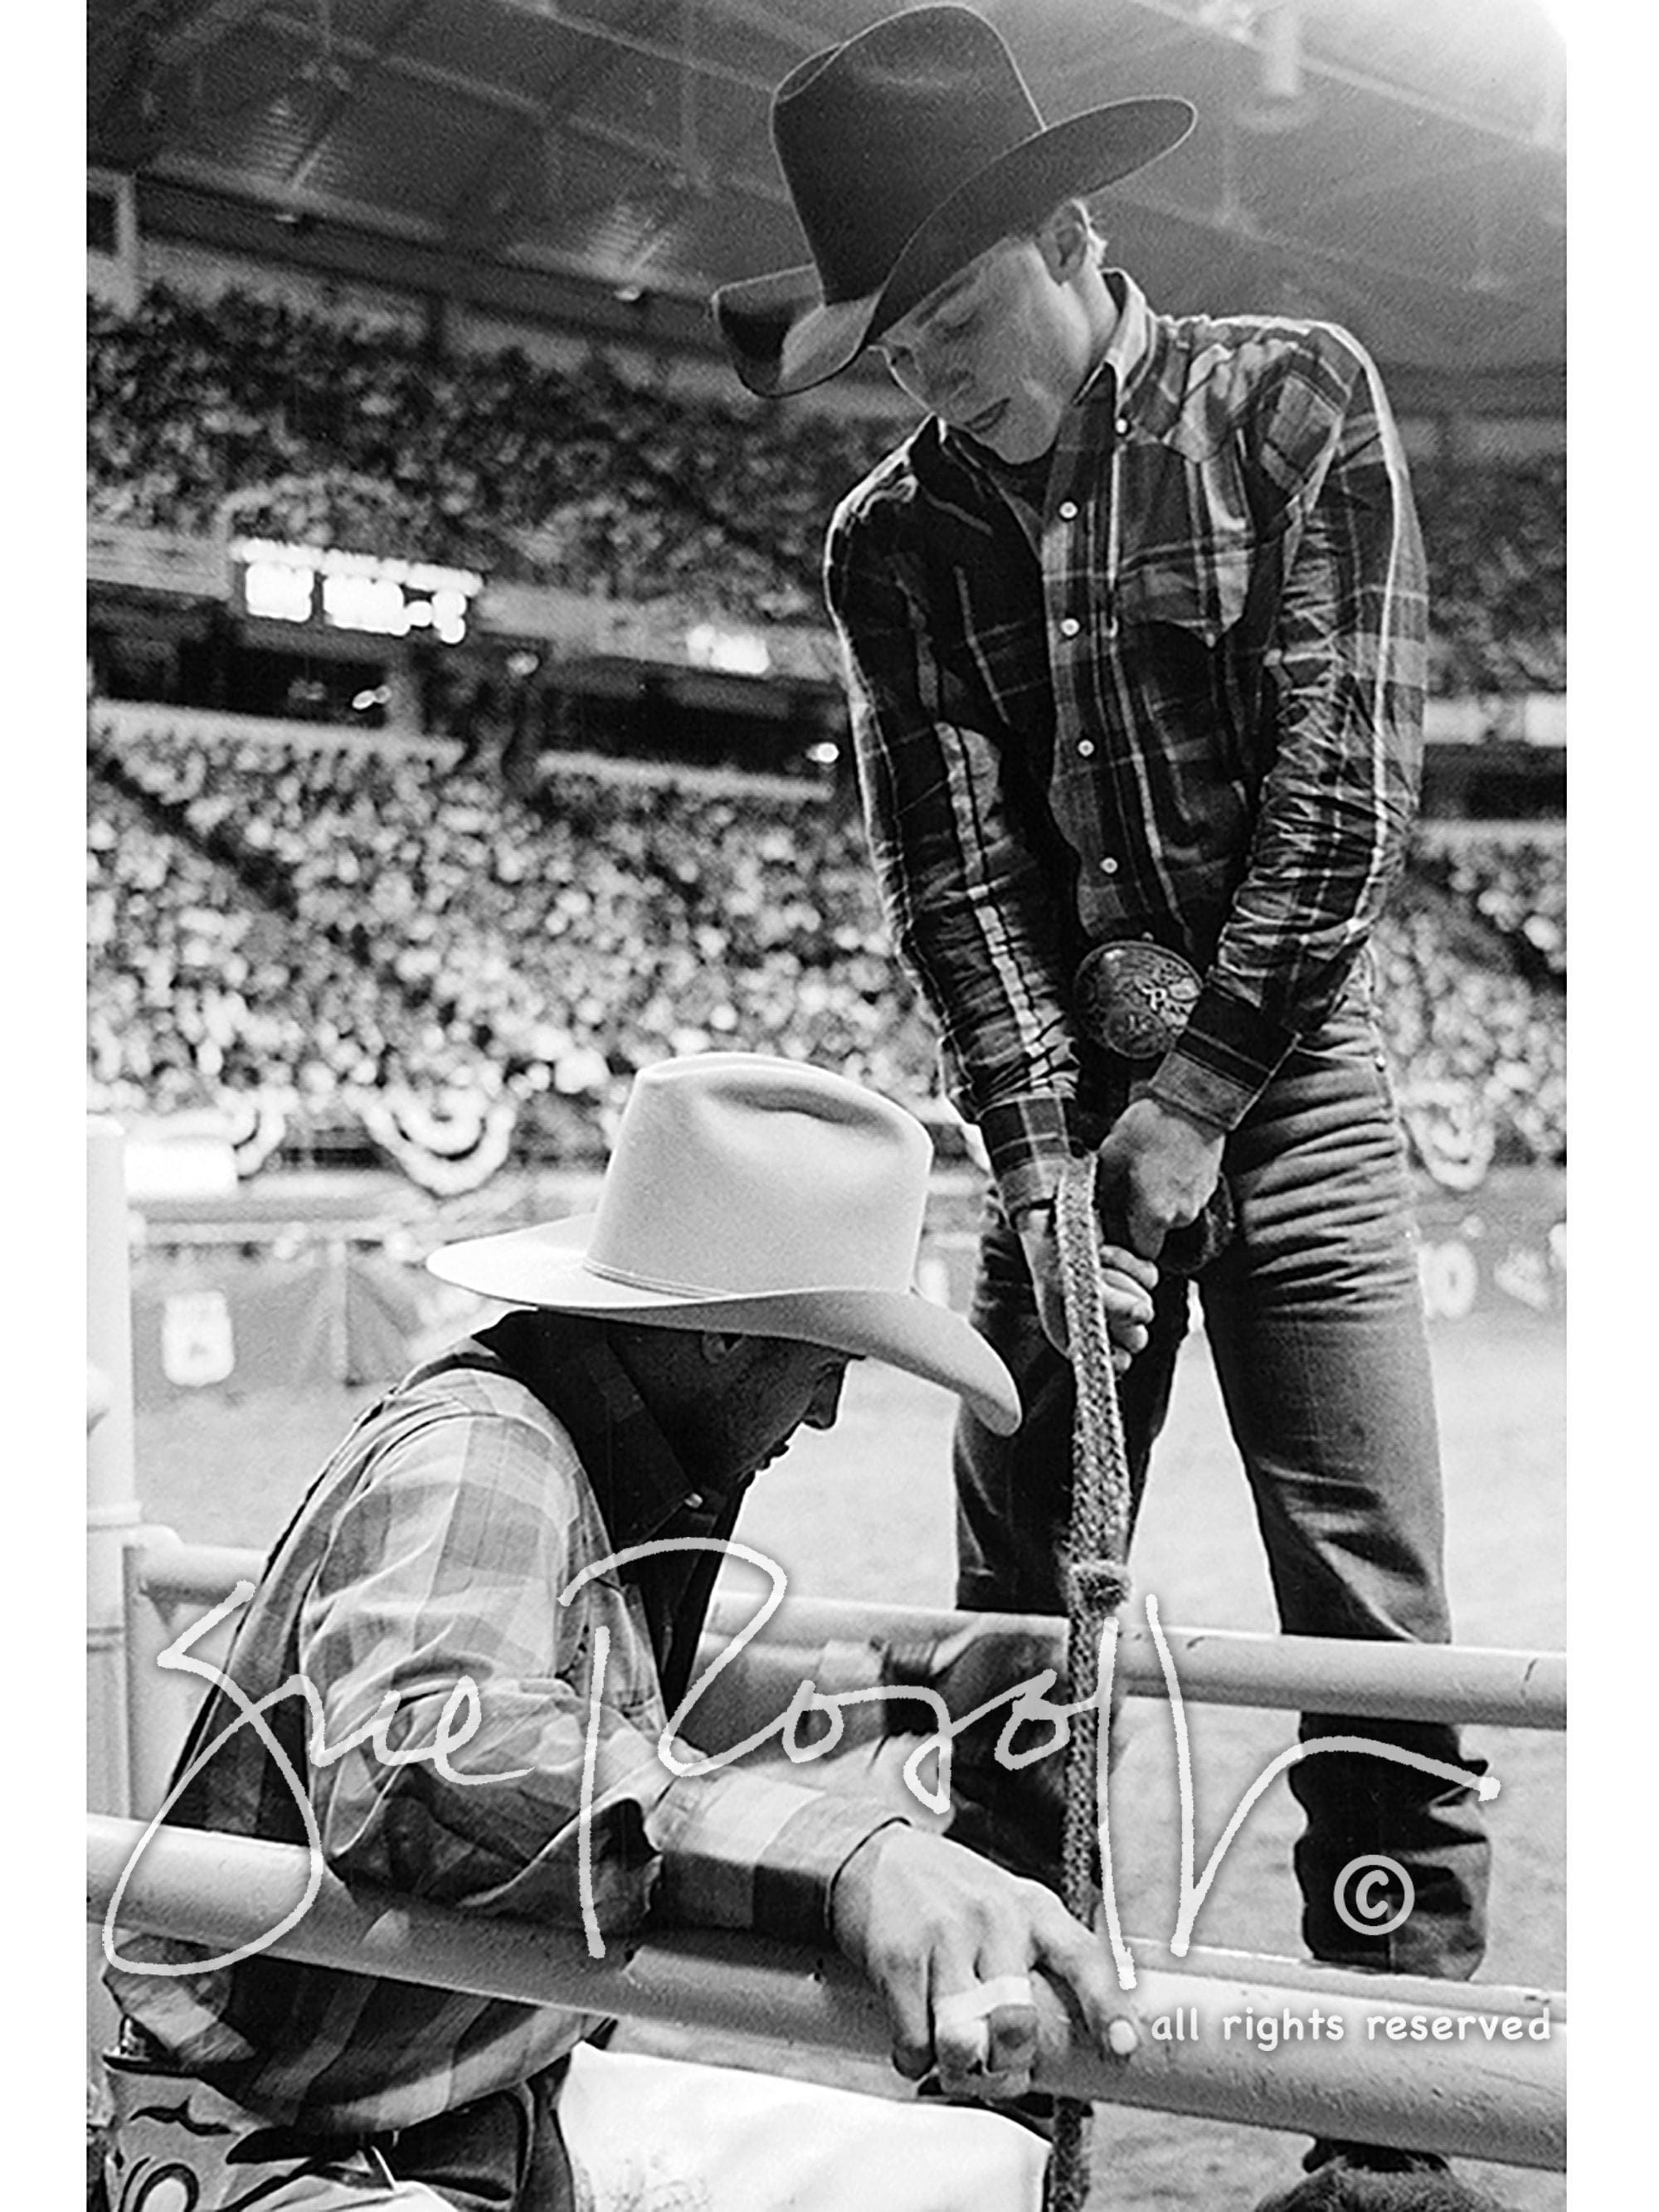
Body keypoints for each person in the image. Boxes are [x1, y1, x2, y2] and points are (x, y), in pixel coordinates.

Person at [712, 7, 1490, 2195]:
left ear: (1069, 238)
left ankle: (1390, 2121)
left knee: (1363, 1595)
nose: (931, 377)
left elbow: (1342, 796)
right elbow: (956, 884)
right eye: (896, 350)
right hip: (1055, 1113)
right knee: (1011, 1601)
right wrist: (1058, 1173)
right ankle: (1008, 2052)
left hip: (1291, 1090)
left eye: (955, 322)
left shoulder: (1291, 400)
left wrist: (1193, 1113)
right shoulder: (888, 543)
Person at [100, 1053, 1142, 2212]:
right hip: (289, 2140)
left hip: (450, 2107)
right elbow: (434, 1754)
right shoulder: (486, 1450)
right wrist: (853, 1860)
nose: (826, 1411)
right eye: (826, 1364)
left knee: (975, 2177)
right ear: (724, 1336)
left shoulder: (571, 1453)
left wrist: (916, 1684)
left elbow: (610, 1712)